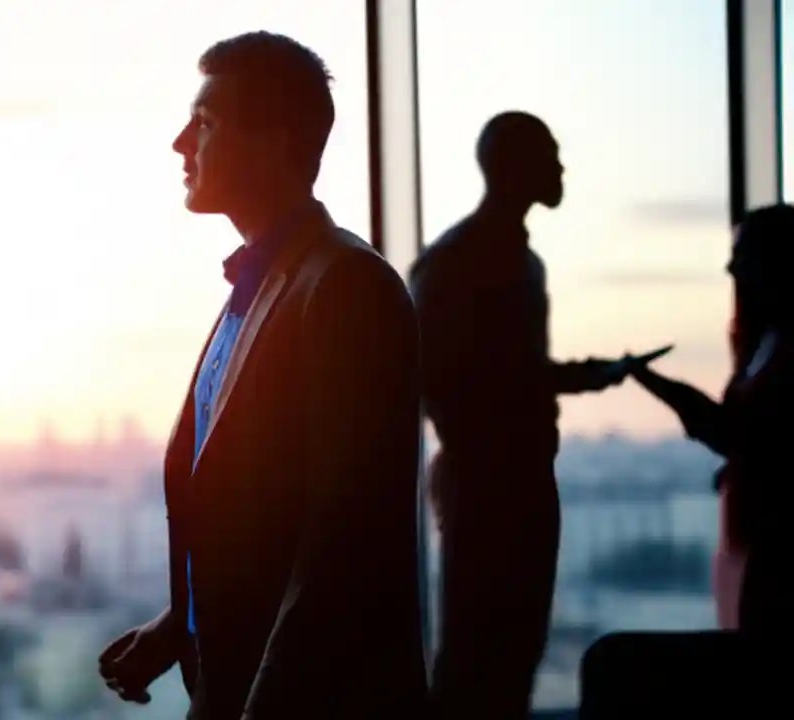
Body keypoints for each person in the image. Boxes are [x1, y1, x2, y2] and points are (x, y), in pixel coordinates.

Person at [98, 32, 427, 719]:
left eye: (205, 123)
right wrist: (181, 626)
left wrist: (268, 700)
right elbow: (262, 507)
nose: (180, 143)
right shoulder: (270, 282)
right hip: (239, 680)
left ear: (278, 141)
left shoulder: (345, 286)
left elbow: (342, 534)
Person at [409, 112, 657, 719]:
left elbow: (504, 372)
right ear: (513, 167)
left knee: (507, 652)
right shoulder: (459, 262)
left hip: (511, 476)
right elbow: (442, 378)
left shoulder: (490, 260)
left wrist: (584, 374)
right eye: (550, 154)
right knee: (480, 656)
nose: (561, 167)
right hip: (489, 480)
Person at [628, 204, 793, 636]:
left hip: (771, 547)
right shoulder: (772, 343)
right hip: (753, 541)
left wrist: (651, 382)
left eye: (742, 254)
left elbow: (732, 431)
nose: (730, 267)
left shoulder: (784, 350)